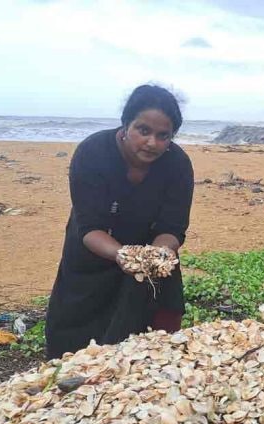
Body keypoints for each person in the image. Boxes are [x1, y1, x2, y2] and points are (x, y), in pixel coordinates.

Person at [45, 85, 194, 359]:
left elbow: (172, 229)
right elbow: (89, 228)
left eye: (163, 136)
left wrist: (157, 255)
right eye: (143, 130)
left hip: (151, 263)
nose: (152, 143)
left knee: (154, 350)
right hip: (94, 253)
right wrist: (123, 255)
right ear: (126, 125)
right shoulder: (92, 154)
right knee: (75, 348)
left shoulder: (178, 164)